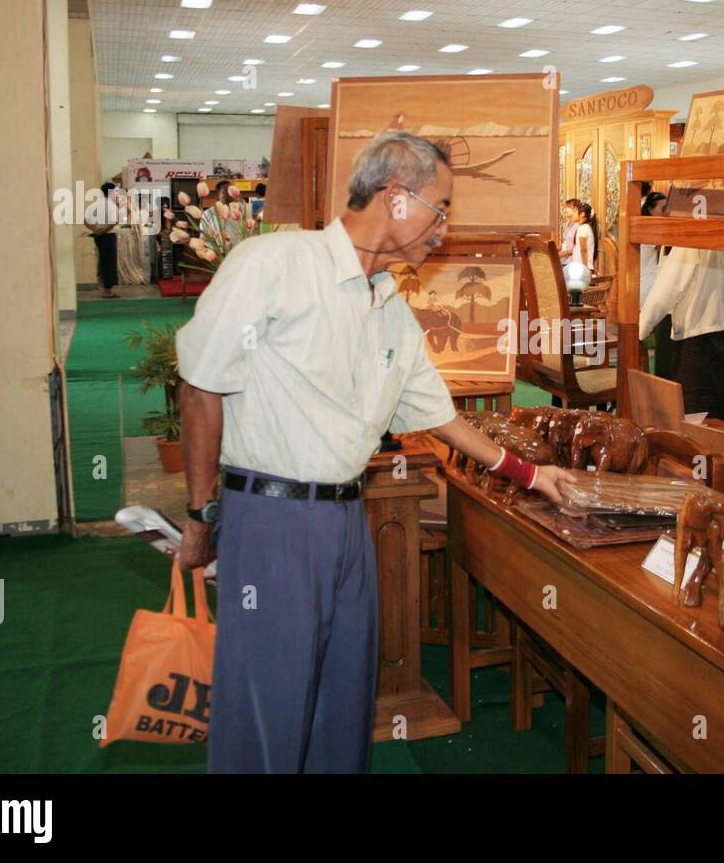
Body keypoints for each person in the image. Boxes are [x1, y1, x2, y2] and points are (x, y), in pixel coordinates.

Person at [175, 130, 575, 774]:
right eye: (441, 208)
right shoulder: (273, 265)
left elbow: (438, 416)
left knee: (344, 706)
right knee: (267, 709)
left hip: (348, 523)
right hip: (272, 521)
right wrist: (201, 516)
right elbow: (201, 386)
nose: (445, 228)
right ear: (394, 197)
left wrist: (530, 473)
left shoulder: (391, 307)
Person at [639, 244, 724, 425]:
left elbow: (669, 286)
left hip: (697, 334)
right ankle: (722, 452)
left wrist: (641, 327)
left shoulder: (693, 235)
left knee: (696, 411)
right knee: (721, 408)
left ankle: (701, 452)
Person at [638, 191, 676, 381]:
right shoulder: (651, 229)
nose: (666, 212)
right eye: (662, 208)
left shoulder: (644, 225)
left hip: (646, 282)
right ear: (651, 209)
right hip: (650, 285)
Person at [83, 181, 121, 298]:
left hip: (98, 237)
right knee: (109, 262)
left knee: (103, 261)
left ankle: (105, 286)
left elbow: (86, 220)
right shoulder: (111, 206)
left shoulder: (93, 205)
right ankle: (107, 290)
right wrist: (102, 230)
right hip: (108, 236)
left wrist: (96, 230)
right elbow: (113, 223)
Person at [558, 198, 597, 277]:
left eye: (575, 211)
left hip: (581, 267)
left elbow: (583, 250)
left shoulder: (583, 228)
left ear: (582, 214)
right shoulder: (583, 227)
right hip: (579, 266)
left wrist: (585, 267)